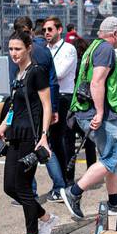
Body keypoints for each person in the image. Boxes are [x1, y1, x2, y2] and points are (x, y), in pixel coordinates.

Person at [0, 30, 58, 234]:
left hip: (31, 136)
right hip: (14, 135)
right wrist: (1, 128)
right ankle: (46, 218)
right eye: (10, 49)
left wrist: (44, 136)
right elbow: (14, 107)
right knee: (9, 187)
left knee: (22, 186)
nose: (13, 53)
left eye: (18, 49)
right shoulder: (18, 74)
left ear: (29, 47)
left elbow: (47, 106)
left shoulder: (37, 72)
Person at [60, 17, 117, 220]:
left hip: (90, 111)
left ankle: (114, 201)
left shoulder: (94, 46)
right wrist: (99, 112)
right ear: (115, 34)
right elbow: (97, 82)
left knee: (115, 158)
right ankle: (74, 192)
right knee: (112, 159)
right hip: (99, 114)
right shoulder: (106, 49)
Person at [41, 16, 79, 200]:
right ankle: (59, 183)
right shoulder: (44, 49)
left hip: (64, 97)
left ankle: (67, 182)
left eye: (50, 29)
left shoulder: (68, 49)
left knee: (64, 141)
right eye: (44, 30)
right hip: (48, 96)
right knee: (52, 141)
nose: (47, 33)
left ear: (59, 29)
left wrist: (44, 72)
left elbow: (60, 73)